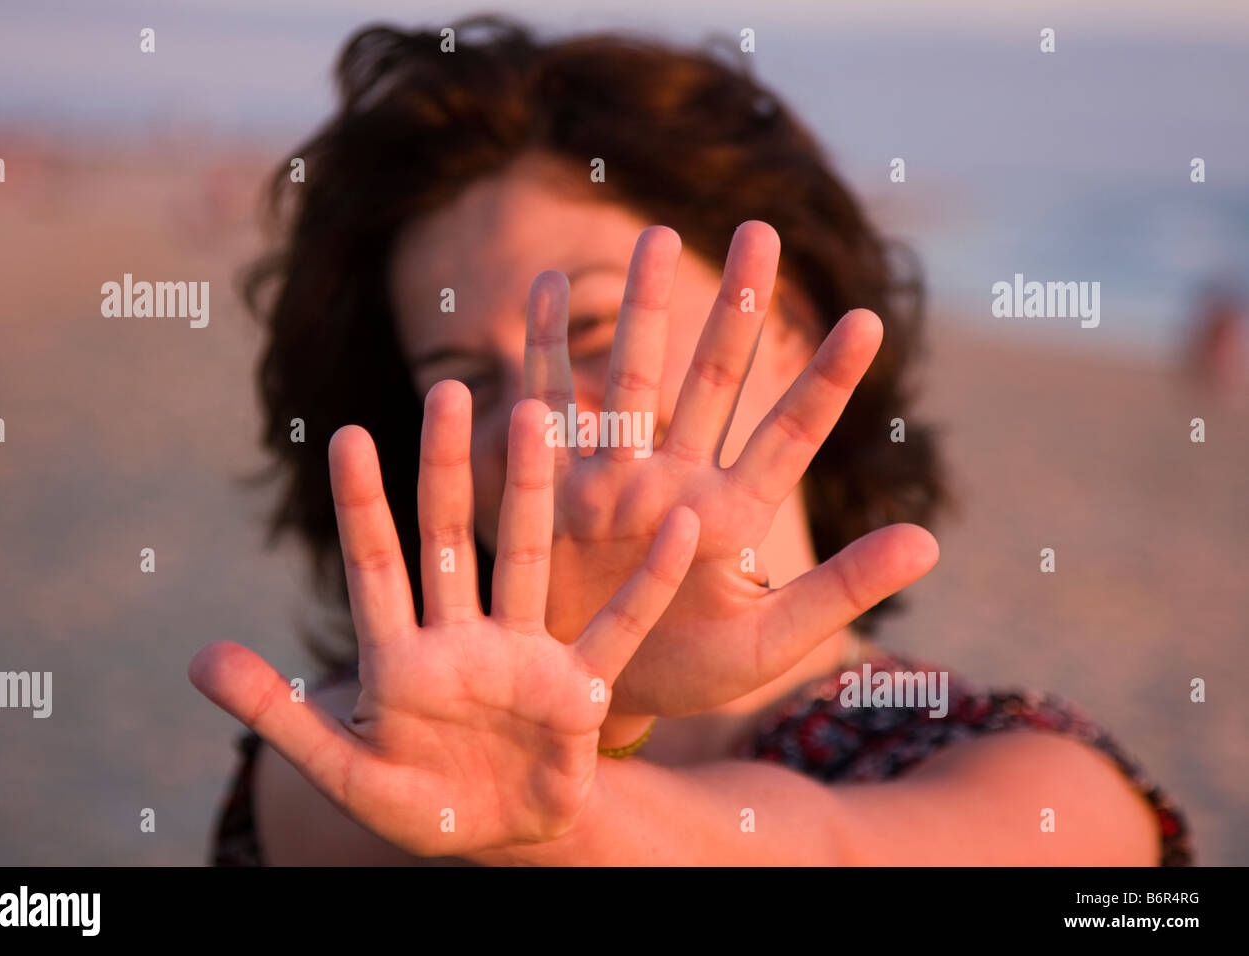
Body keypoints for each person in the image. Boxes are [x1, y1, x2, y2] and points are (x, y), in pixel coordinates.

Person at [188, 16, 1191, 865]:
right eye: (460, 378)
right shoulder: (354, 760)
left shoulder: (1041, 788)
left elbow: (831, 848)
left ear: (787, 319)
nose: (536, 417)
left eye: (589, 328)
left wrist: (562, 810)